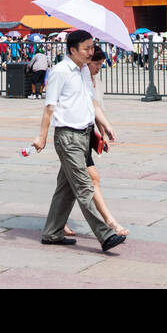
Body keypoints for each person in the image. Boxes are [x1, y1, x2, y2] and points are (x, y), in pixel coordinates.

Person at [33, 30, 125, 252]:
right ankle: (105, 235)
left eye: (92, 47)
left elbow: (91, 103)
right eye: (87, 48)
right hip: (68, 136)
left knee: (66, 189)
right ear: (72, 49)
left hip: (84, 135)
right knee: (84, 186)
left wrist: (106, 125)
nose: (91, 52)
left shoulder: (84, 71)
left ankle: (52, 233)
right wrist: (42, 136)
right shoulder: (60, 72)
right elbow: (49, 107)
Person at [61, 47, 127, 238]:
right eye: (96, 64)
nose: (99, 67)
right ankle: (109, 223)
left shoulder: (92, 80)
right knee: (90, 180)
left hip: (86, 134)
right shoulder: (75, 77)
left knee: (66, 185)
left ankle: (56, 223)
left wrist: (103, 131)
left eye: (100, 64)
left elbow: (94, 106)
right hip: (72, 135)